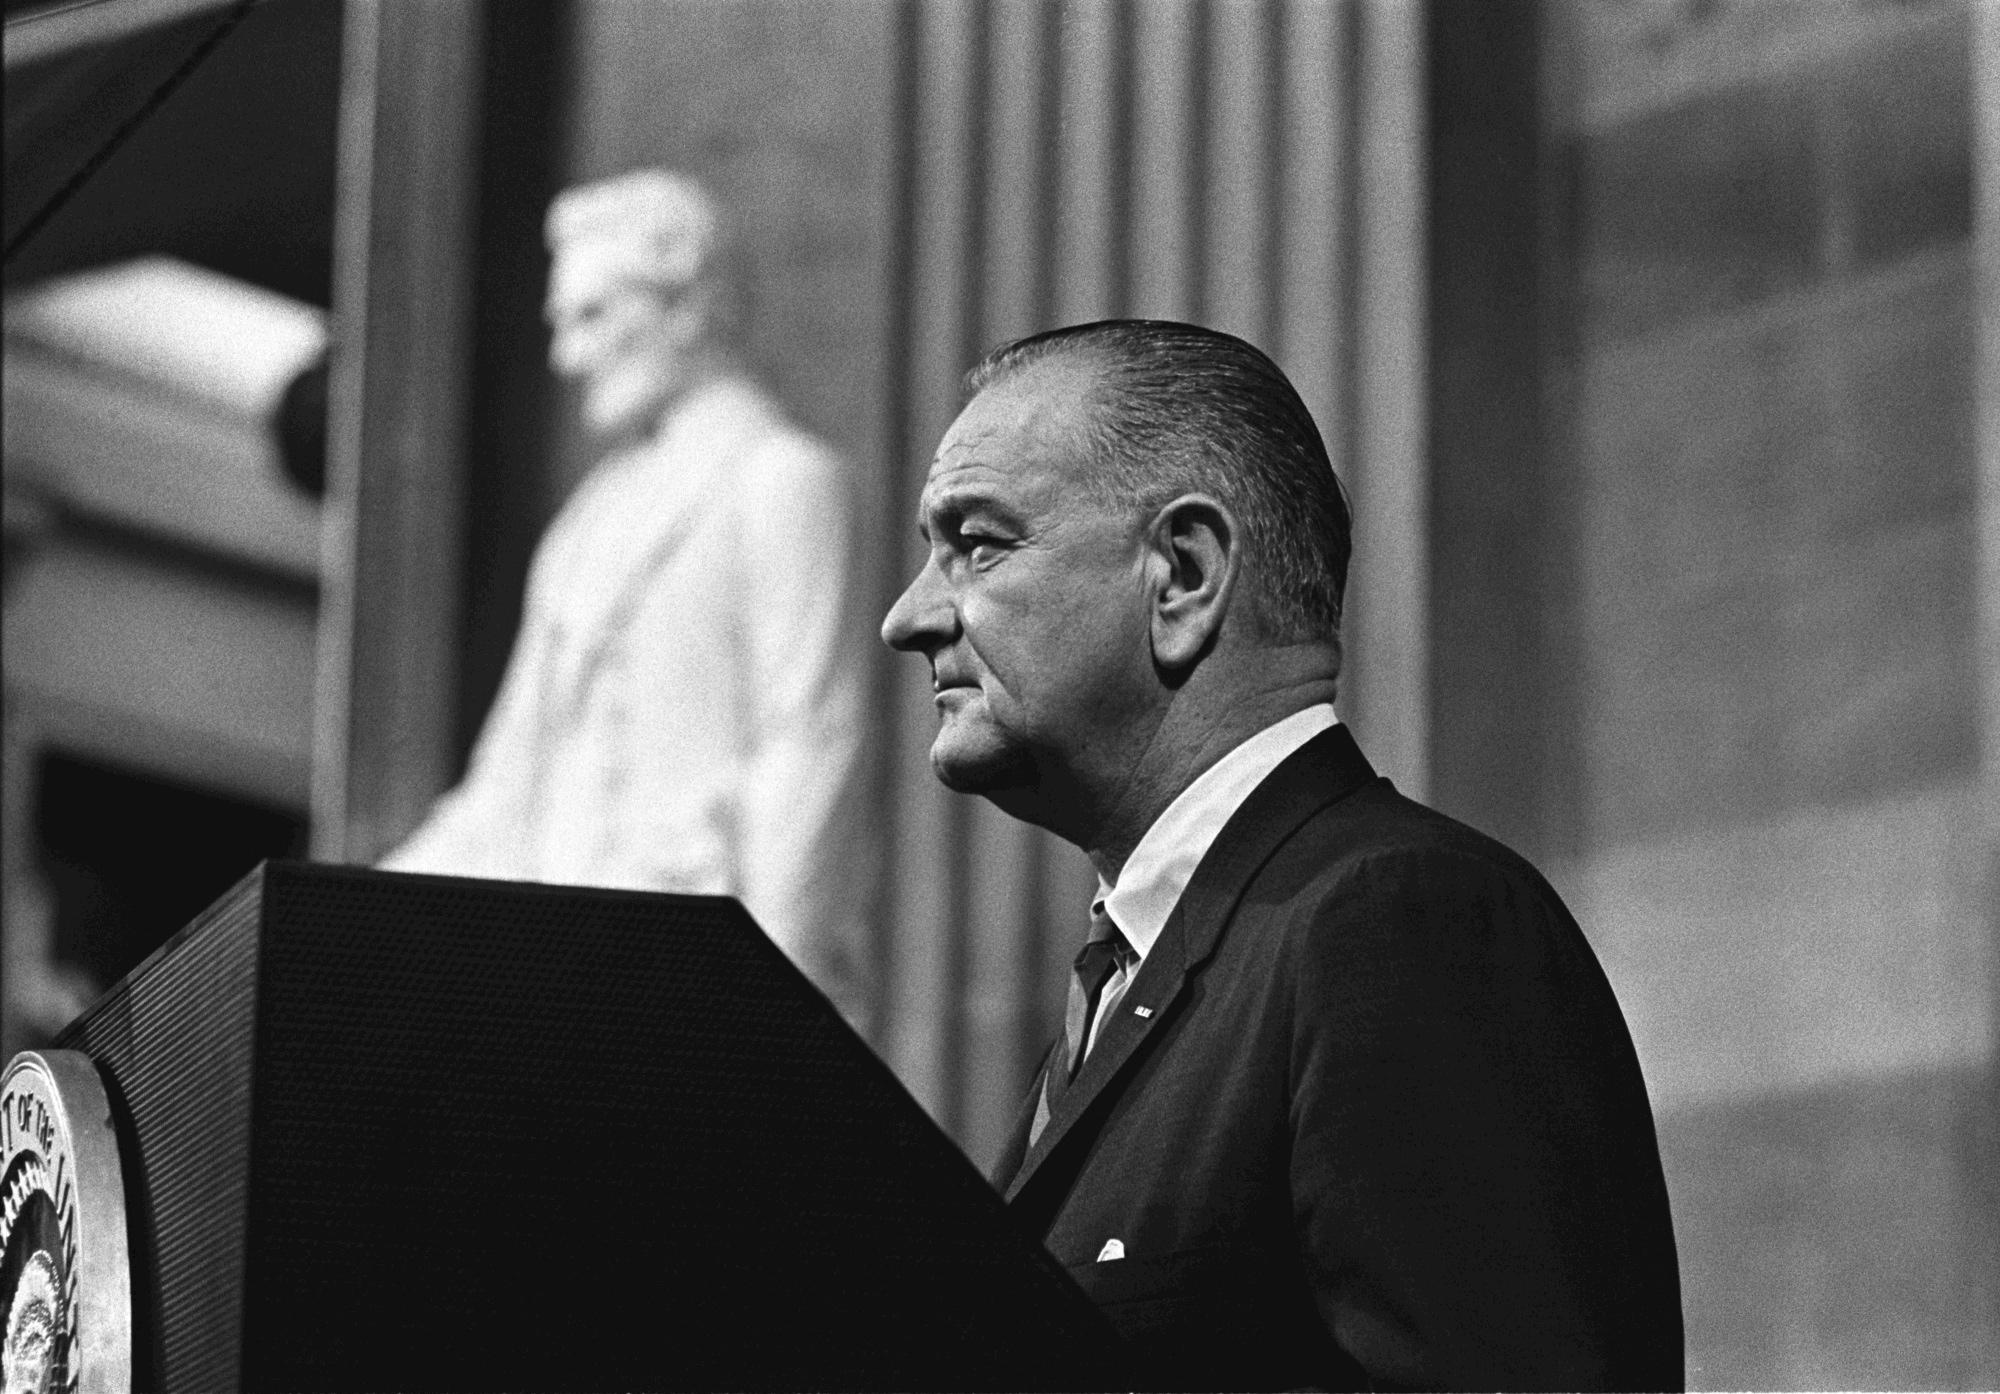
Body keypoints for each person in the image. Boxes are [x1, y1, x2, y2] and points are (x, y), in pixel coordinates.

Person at [881, 320, 1683, 1390]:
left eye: (976, 542)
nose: (907, 615)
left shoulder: (1398, 922)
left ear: (1181, 572)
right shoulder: (1145, 973)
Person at [384, 169, 871, 1024]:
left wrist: (773, 1019)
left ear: (687, 307)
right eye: (561, 322)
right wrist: (352, 920)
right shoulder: (583, 525)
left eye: (595, 315)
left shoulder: (781, 479)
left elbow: (811, 746)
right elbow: (506, 787)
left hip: (698, 984)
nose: (569, 358)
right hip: (560, 992)